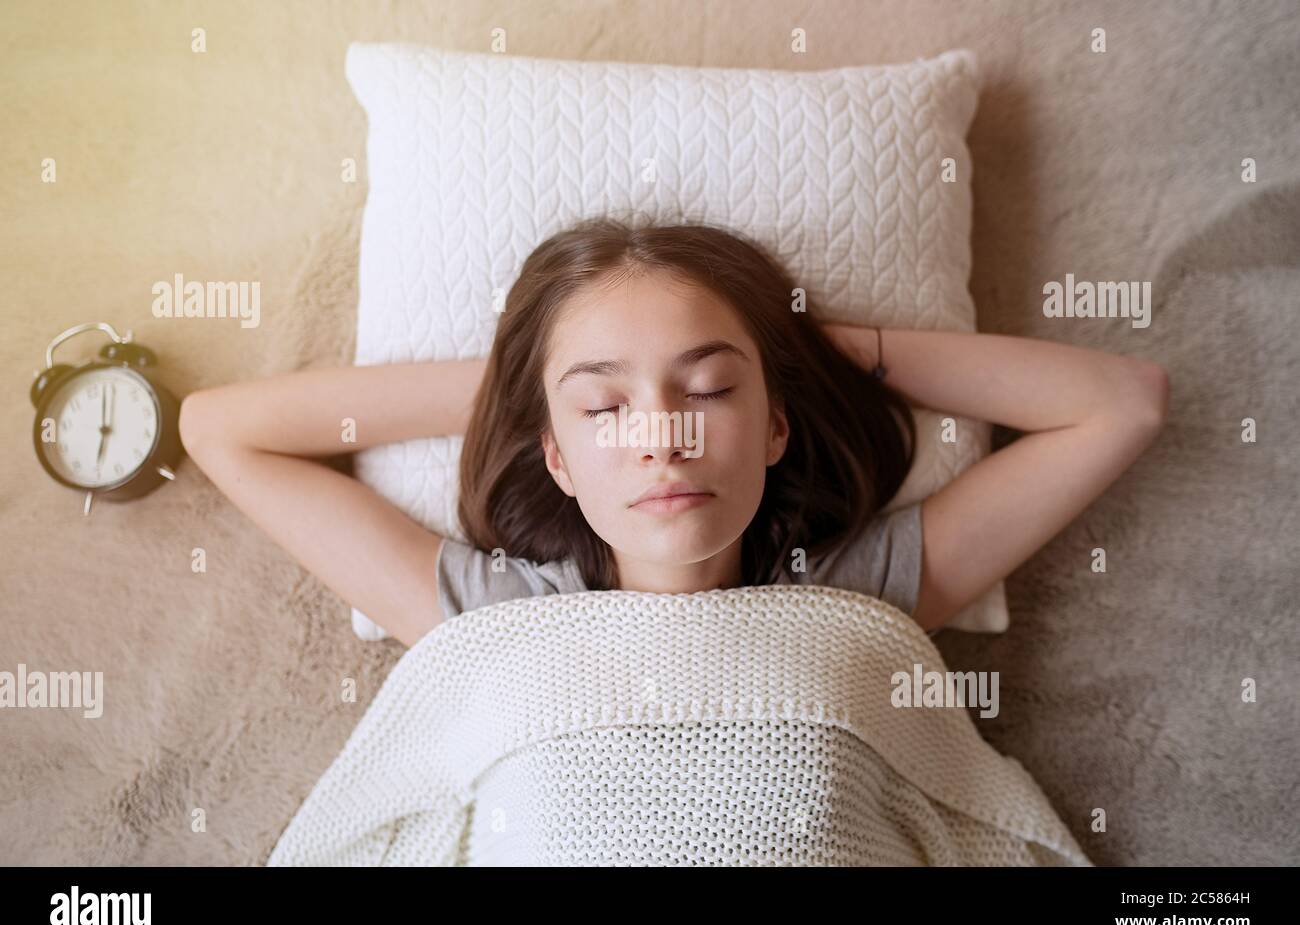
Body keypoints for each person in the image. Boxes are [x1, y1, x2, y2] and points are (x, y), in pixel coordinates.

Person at [179, 215, 1169, 648]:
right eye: (606, 410)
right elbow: (219, 428)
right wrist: (535, 373)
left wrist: (805, 346)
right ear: (555, 457)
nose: (661, 437)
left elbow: (1121, 401)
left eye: (706, 388)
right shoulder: (493, 619)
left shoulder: (853, 596)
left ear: (776, 425)